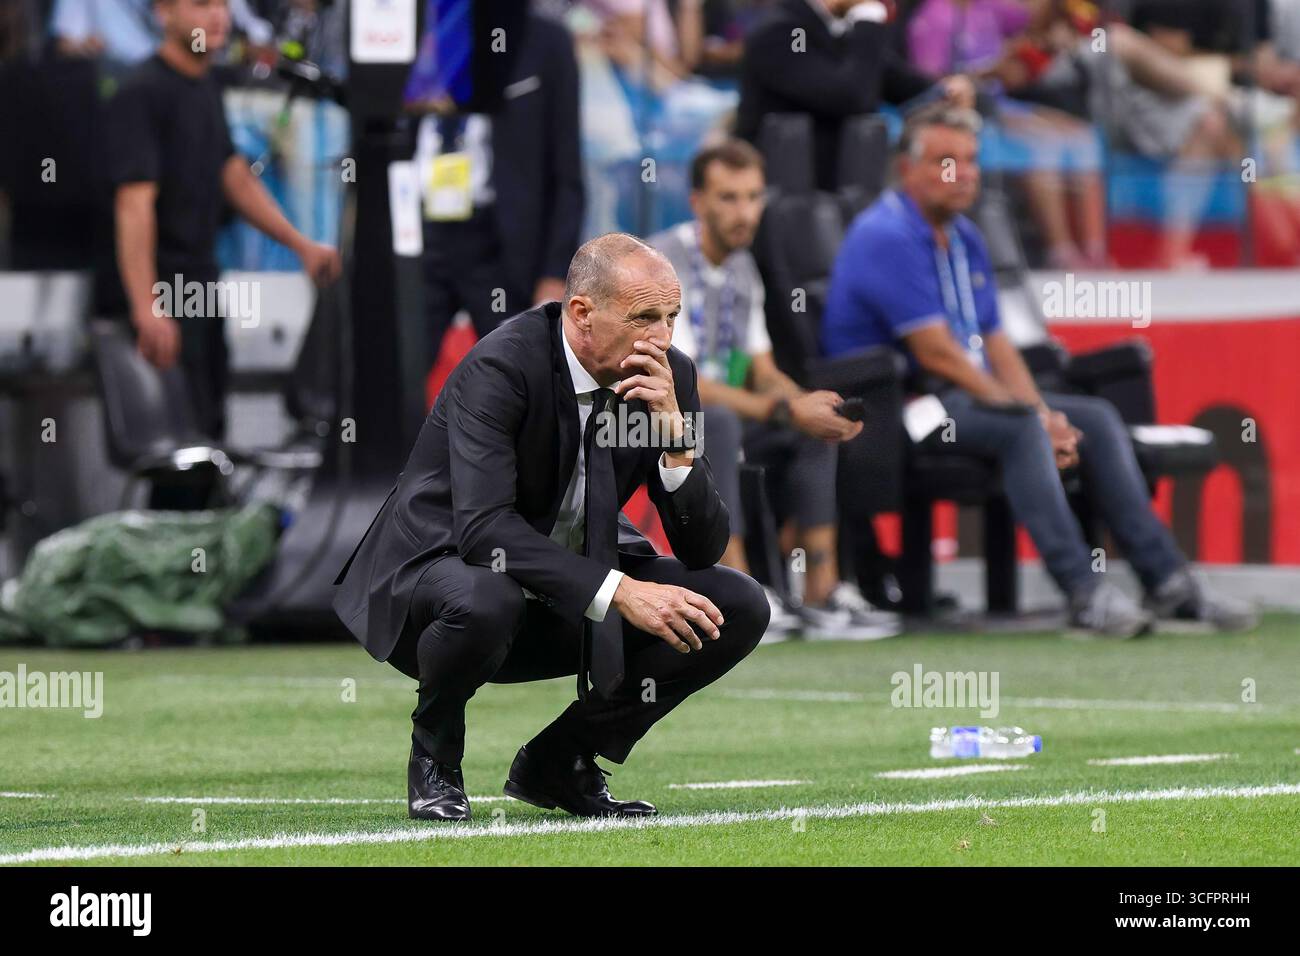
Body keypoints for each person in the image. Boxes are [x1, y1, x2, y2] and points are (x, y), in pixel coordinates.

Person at [332, 234, 770, 822]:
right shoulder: (503, 365)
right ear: (582, 314)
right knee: (489, 595)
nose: (662, 338)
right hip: (438, 584)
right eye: (645, 318)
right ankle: (434, 755)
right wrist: (621, 591)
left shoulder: (669, 379)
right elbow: (485, 532)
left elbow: (702, 548)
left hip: (564, 585)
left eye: (671, 318)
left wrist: (677, 442)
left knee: (735, 603)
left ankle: (561, 762)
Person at [821, 103, 1258, 637]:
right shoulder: (887, 234)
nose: (964, 175)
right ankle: (1083, 591)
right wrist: (1031, 419)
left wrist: (1045, 411)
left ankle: (1168, 581)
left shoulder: (965, 237)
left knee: (1093, 417)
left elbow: (999, 345)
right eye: (945, 162)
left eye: (972, 161)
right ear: (907, 169)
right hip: (896, 408)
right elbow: (940, 355)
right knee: (1023, 427)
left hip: (959, 398)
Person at [649, 139, 901, 641]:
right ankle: (738, 591)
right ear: (697, 202)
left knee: (814, 429)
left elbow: (762, 369)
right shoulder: (661, 262)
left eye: (753, 197)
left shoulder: (744, 266)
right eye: (729, 198)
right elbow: (683, 381)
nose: (745, 212)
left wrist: (804, 405)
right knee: (712, 420)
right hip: (646, 418)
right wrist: (784, 409)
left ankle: (822, 593)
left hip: (722, 414)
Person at [107, 0, 340, 507]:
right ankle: (169, 572)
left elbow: (231, 174)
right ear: (162, 12)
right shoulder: (142, 93)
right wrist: (148, 306)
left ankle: (200, 566)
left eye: (221, 4)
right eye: (199, 4)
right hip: (161, 294)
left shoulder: (206, 86)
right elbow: (134, 205)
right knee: (175, 456)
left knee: (209, 434)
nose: (217, 17)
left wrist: (301, 245)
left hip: (200, 286)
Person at [409, 8, 583, 372]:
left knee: (521, 380)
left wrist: (555, 274)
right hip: (418, 231)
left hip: (500, 244)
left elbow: (566, 170)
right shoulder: (414, 29)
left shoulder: (544, 40)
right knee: (396, 375)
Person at [735, 0, 976, 191]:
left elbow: (903, 85)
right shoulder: (783, 32)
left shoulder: (840, 30)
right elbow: (850, 96)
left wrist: (949, 91)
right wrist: (868, 19)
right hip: (787, 200)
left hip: (843, 189)